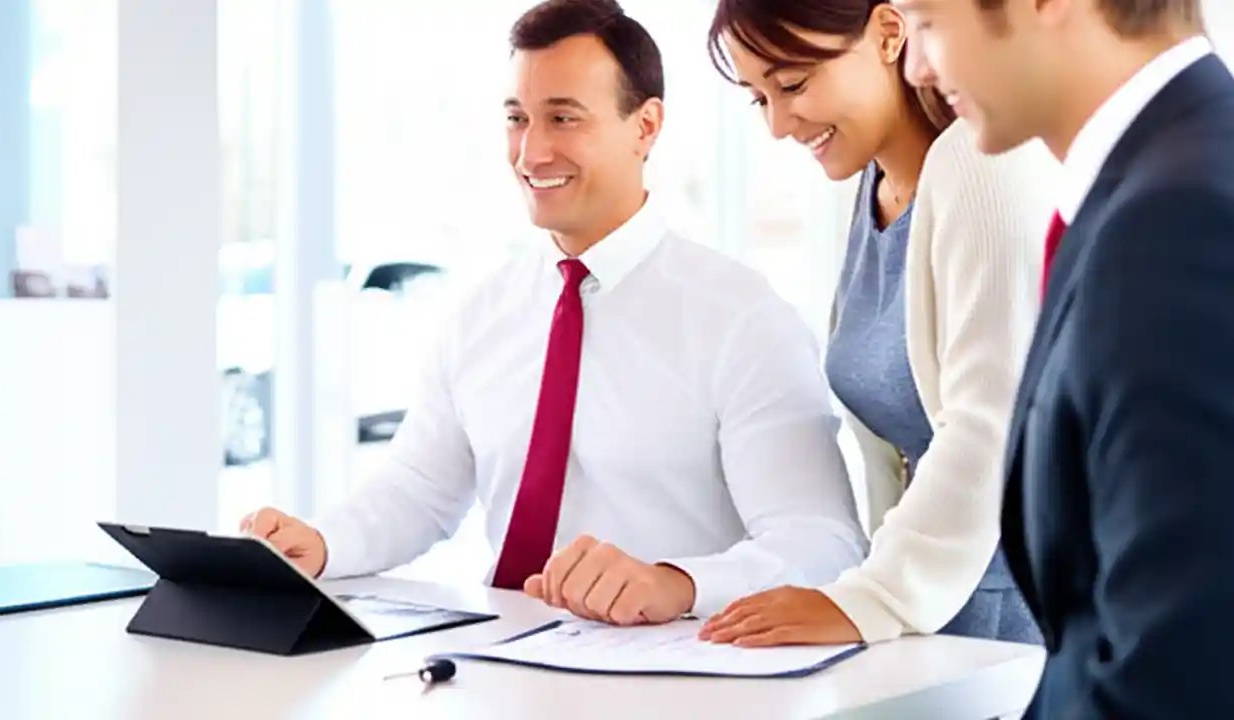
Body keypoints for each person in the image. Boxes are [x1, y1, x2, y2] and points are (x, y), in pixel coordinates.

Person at [241, 0, 866, 628]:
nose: (532, 152)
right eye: (518, 119)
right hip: (496, 657)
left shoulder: (742, 319)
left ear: (646, 127)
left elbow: (821, 542)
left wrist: (678, 583)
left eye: (564, 118)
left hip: (669, 663)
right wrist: (323, 544)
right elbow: (419, 490)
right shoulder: (480, 314)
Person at [894, 0, 1234, 716]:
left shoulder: (1177, 217)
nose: (917, 68)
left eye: (927, 22)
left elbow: (1177, 664)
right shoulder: (1160, 177)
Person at [698, 0, 1057, 648]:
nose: (777, 125)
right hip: (922, 605)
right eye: (758, 99)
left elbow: (990, 423)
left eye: (793, 83)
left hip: (1008, 607)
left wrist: (872, 599)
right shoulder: (870, 185)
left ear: (890, 35)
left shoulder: (982, 162)